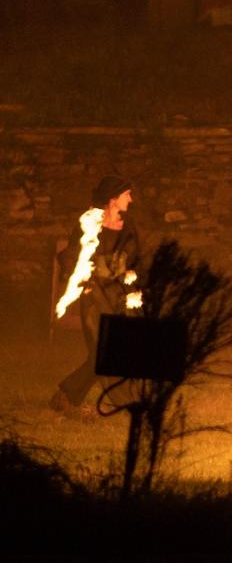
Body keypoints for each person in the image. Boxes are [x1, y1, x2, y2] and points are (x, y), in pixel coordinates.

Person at [50, 175, 142, 414]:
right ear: (113, 199)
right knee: (104, 351)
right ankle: (66, 395)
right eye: (127, 195)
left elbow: (135, 257)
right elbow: (70, 257)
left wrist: (130, 272)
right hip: (95, 295)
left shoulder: (128, 225)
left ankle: (126, 398)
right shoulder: (90, 222)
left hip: (119, 294)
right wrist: (85, 278)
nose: (131, 199)